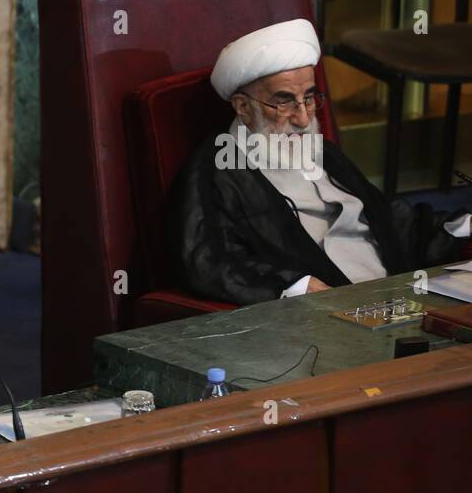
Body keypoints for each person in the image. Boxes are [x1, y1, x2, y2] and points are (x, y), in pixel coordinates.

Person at [168, 18, 470, 306]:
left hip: (397, 298)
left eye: (309, 98)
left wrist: (461, 226)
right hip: (331, 316)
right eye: (284, 101)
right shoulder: (216, 169)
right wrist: (294, 286)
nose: (302, 119)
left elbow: (391, 220)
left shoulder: (323, 151)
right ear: (243, 107)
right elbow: (205, 260)